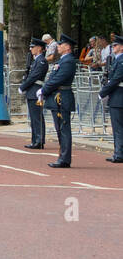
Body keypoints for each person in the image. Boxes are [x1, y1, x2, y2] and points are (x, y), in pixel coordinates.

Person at [41, 34, 78, 168]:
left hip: (62, 97)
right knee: (60, 128)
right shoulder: (63, 60)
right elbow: (53, 77)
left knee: (63, 128)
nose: (58, 46)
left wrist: (44, 90)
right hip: (58, 97)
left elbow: (59, 79)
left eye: (61, 44)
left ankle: (65, 158)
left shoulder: (68, 61)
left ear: (67, 47)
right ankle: (62, 156)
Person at [19, 37, 48, 149]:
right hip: (32, 90)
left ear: (39, 48)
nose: (31, 49)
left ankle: (39, 140)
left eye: (33, 47)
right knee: (33, 117)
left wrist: (23, 86)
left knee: (37, 117)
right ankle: (35, 139)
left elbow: (34, 76)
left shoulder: (41, 61)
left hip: (36, 90)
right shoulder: (36, 61)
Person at [102, 34, 123, 164]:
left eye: (115, 45)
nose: (113, 47)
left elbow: (115, 79)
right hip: (117, 96)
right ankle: (118, 151)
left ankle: (119, 153)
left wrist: (103, 92)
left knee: (118, 127)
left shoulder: (121, 61)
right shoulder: (117, 59)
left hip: (119, 97)